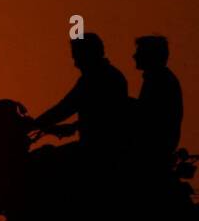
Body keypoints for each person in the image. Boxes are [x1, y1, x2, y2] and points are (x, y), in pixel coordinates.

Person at [33, 33, 130, 155]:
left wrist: (33, 124)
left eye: (76, 57)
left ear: (88, 54)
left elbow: (66, 107)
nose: (75, 63)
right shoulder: (108, 75)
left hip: (98, 148)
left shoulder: (96, 78)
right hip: (101, 145)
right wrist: (74, 126)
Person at [132, 35, 183, 171]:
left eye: (139, 52)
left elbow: (148, 114)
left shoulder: (160, 80)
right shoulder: (159, 78)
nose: (134, 56)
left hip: (154, 147)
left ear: (150, 55)